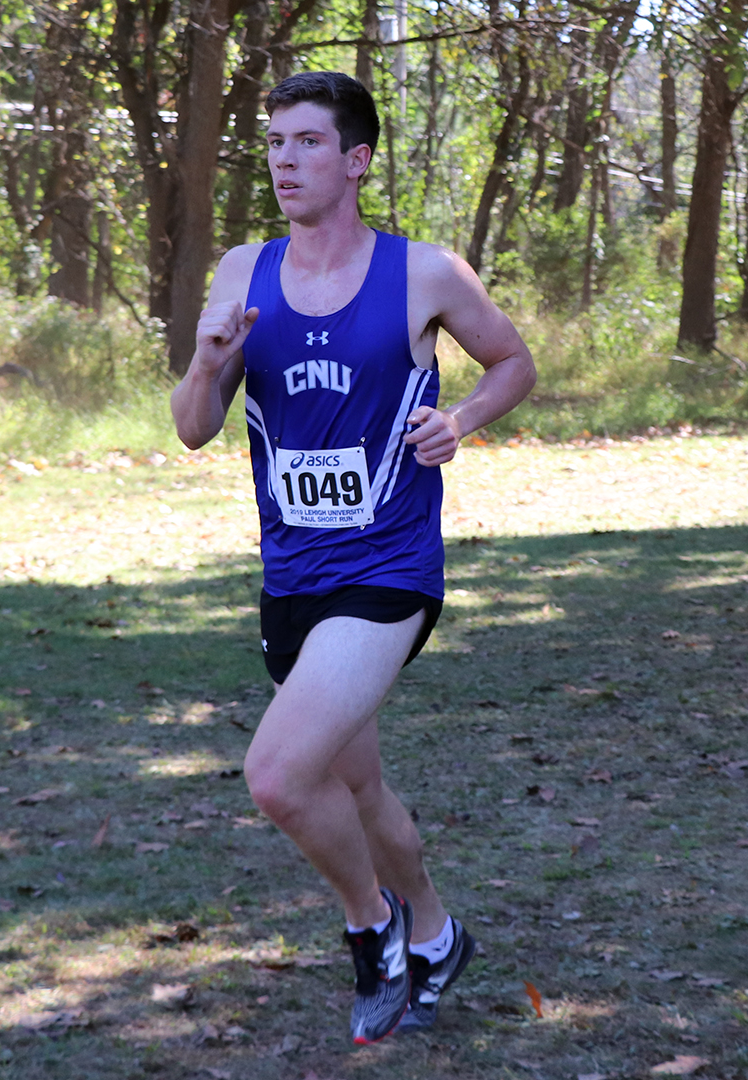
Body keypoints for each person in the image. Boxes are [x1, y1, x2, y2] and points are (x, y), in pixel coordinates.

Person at [170, 72, 536, 1042]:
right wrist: (207, 364)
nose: (284, 160)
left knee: (282, 778)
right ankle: (437, 929)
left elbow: (514, 361)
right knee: (357, 785)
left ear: (357, 159)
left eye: (306, 143)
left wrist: (459, 418)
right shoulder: (244, 272)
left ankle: (371, 930)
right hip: (292, 575)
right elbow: (194, 429)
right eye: (276, 143)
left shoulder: (423, 274)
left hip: (388, 570)